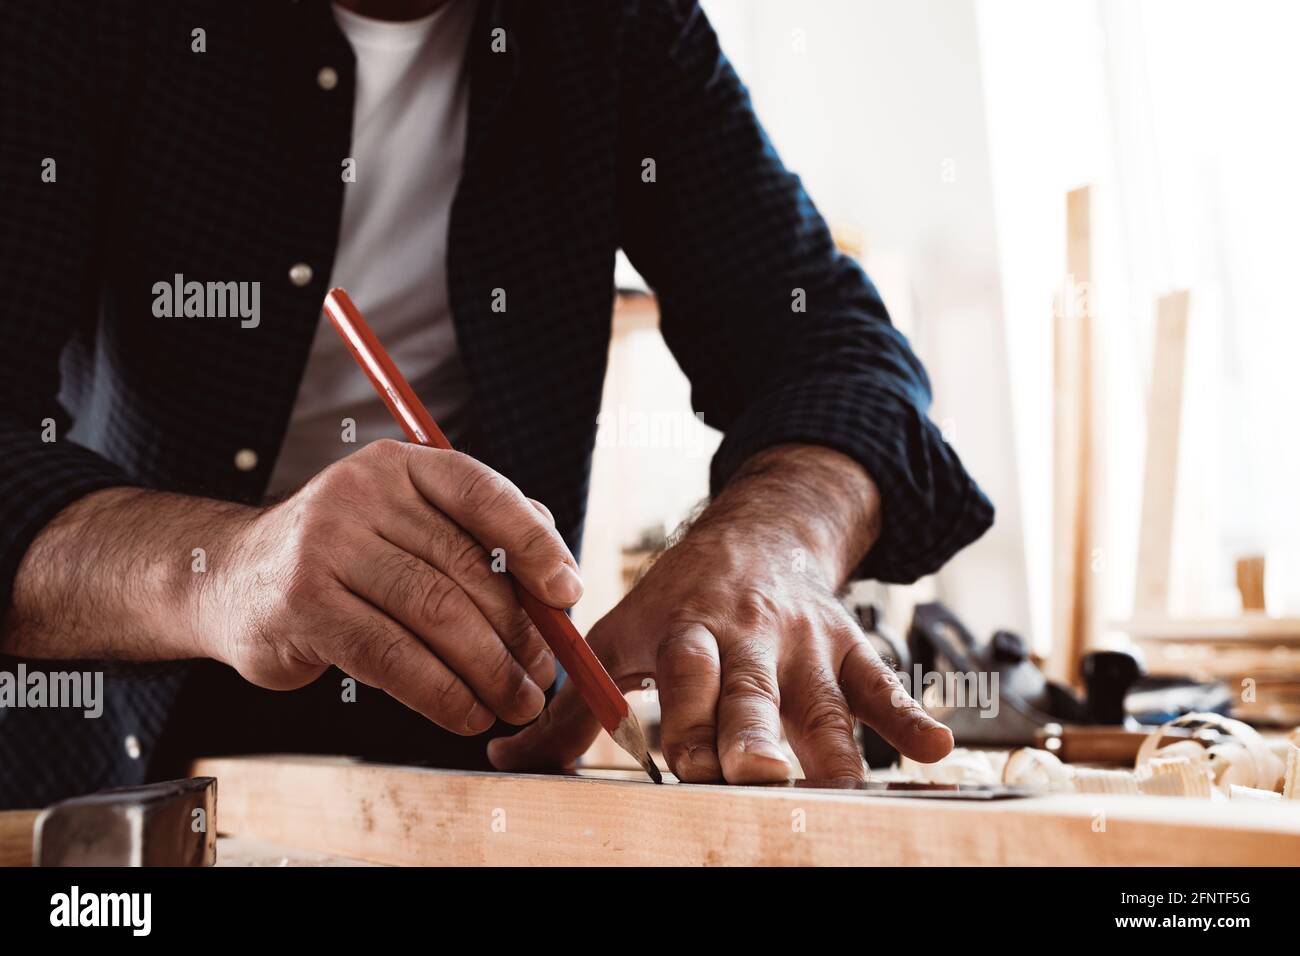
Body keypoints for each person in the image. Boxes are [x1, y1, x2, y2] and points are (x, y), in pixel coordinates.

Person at [0, 0, 992, 808]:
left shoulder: (620, 27)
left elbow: (837, 353)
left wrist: (771, 540)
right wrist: (230, 568)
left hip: (478, 747)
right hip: (101, 749)